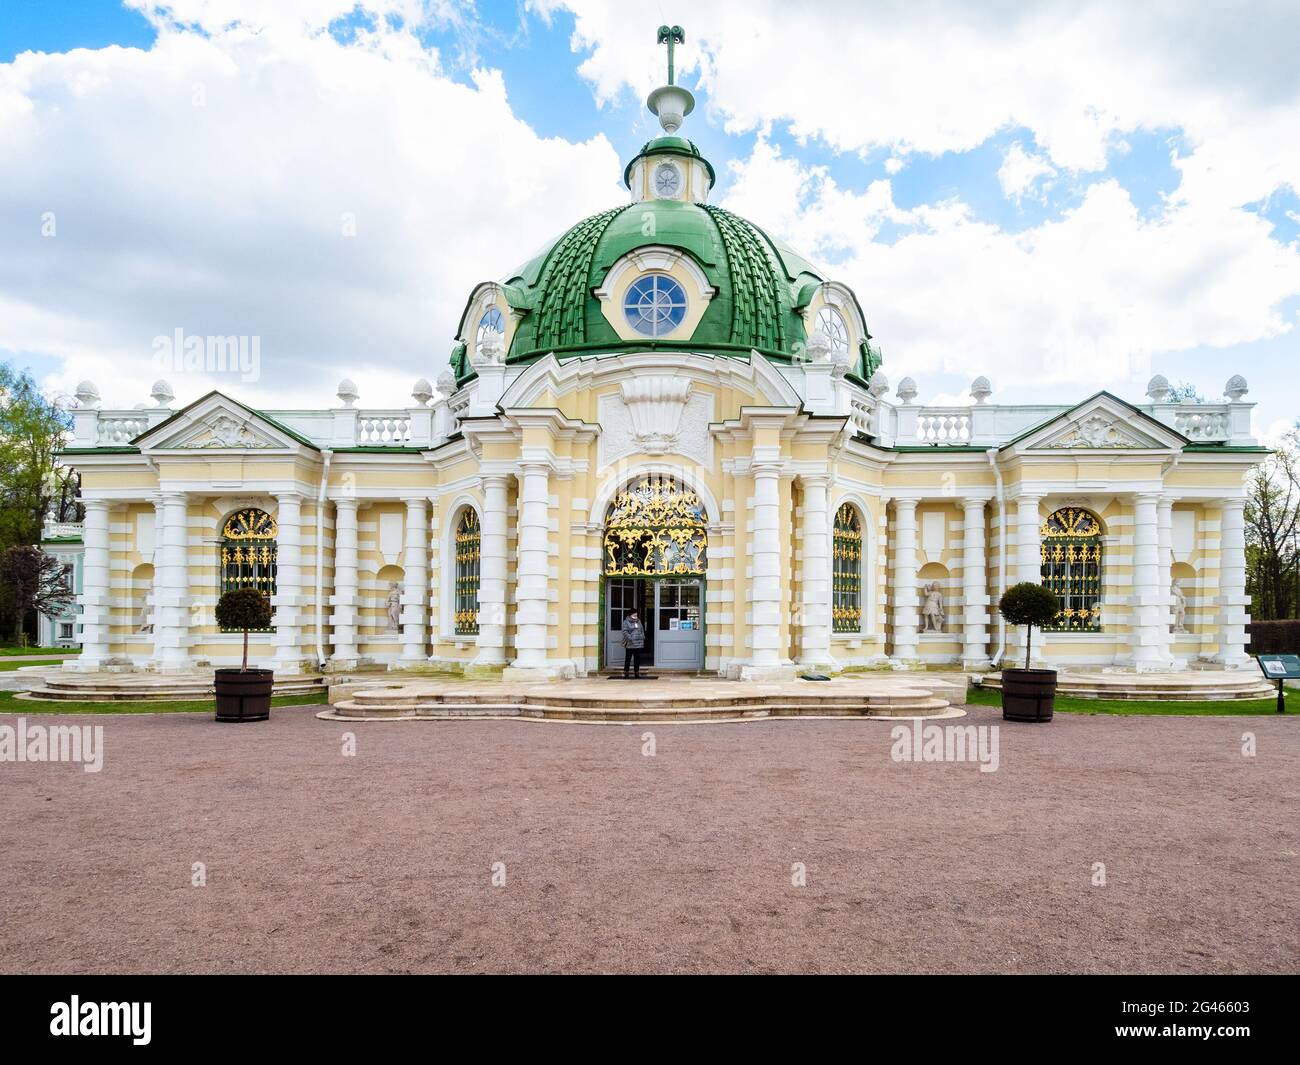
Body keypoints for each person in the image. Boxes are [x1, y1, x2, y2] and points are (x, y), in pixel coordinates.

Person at [621, 609, 646, 678]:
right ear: (630, 615)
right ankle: (626, 672)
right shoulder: (626, 622)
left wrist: (642, 637)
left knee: (637, 659)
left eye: (636, 615)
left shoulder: (639, 621)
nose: (636, 616)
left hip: (638, 643)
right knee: (628, 659)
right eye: (634, 614)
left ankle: (637, 672)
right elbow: (624, 632)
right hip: (630, 644)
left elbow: (641, 630)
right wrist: (630, 638)